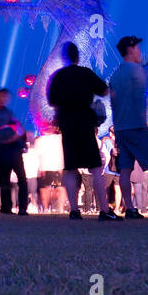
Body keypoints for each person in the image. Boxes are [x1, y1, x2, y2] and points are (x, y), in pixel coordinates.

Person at [47, 41, 117, 221]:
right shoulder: (86, 73)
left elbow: (52, 101)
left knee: (70, 168)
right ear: (78, 56)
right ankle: (104, 210)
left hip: (67, 124)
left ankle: (74, 210)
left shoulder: (58, 76)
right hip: (86, 122)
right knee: (95, 168)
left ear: (63, 57)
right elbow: (104, 91)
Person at [109, 36, 148, 219]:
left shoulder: (116, 74)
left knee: (125, 169)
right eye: (138, 48)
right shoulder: (137, 71)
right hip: (136, 125)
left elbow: (113, 101)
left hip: (120, 128)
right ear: (131, 49)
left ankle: (130, 209)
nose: (140, 52)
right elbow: (141, 98)